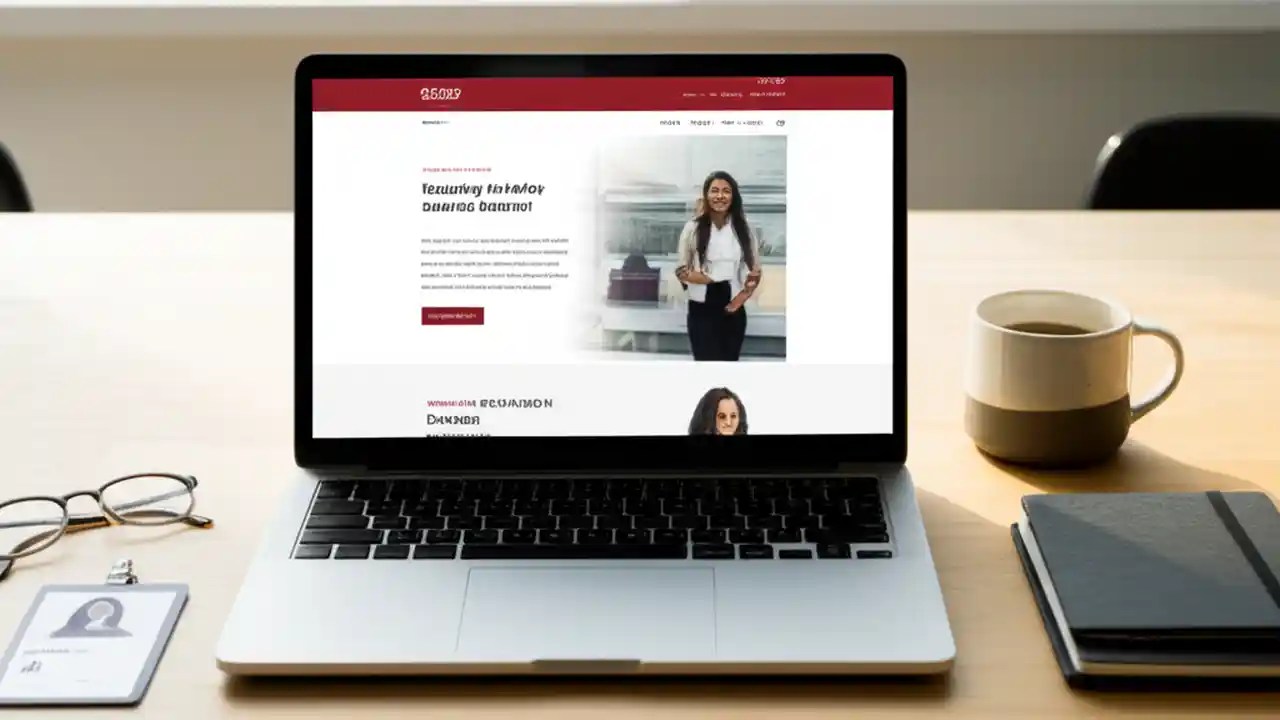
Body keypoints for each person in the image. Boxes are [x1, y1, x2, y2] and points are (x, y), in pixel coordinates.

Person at [675, 171, 762, 361]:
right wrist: (713, 276)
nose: (720, 196)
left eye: (726, 191)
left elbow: (755, 271)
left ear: (734, 196)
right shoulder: (692, 228)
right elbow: (681, 270)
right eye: (714, 191)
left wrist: (739, 301)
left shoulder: (744, 229)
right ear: (706, 195)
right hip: (701, 310)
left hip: (733, 308)